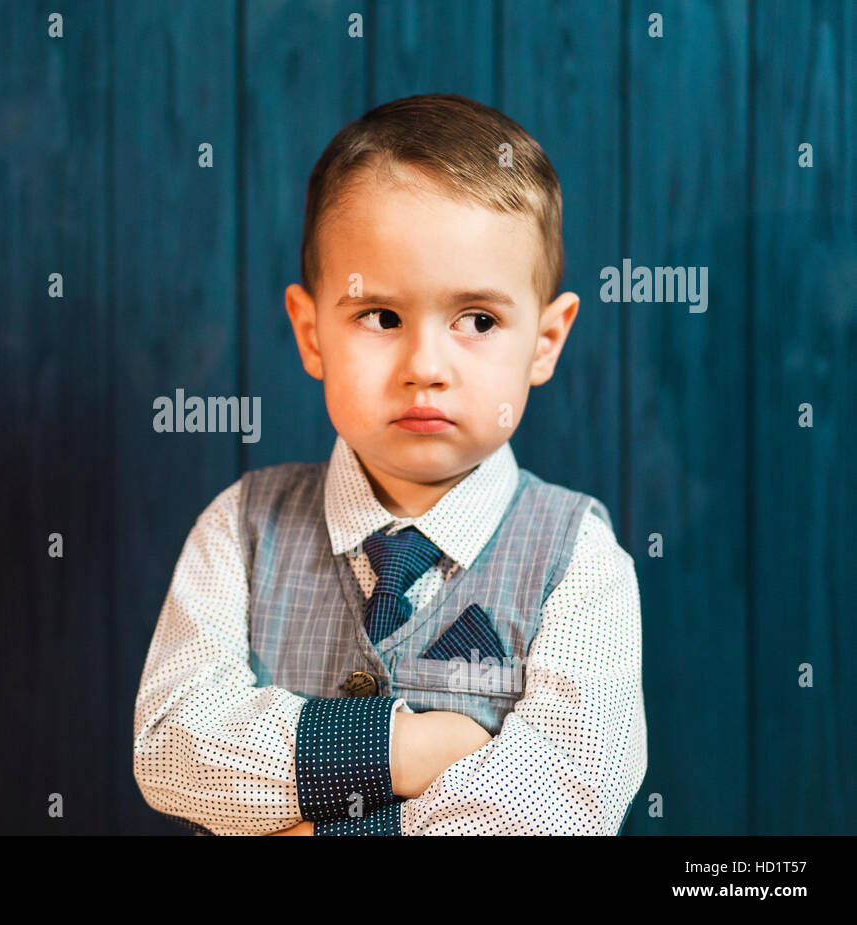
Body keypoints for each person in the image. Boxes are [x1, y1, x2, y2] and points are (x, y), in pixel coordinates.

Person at [132, 94, 646, 835]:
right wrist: (400, 747)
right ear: (312, 333)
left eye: (477, 320)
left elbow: (562, 800)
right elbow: (172, 746)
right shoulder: (240, 529)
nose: (425, 366)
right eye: (381, 316)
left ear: (545, 339)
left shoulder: (578, 561)